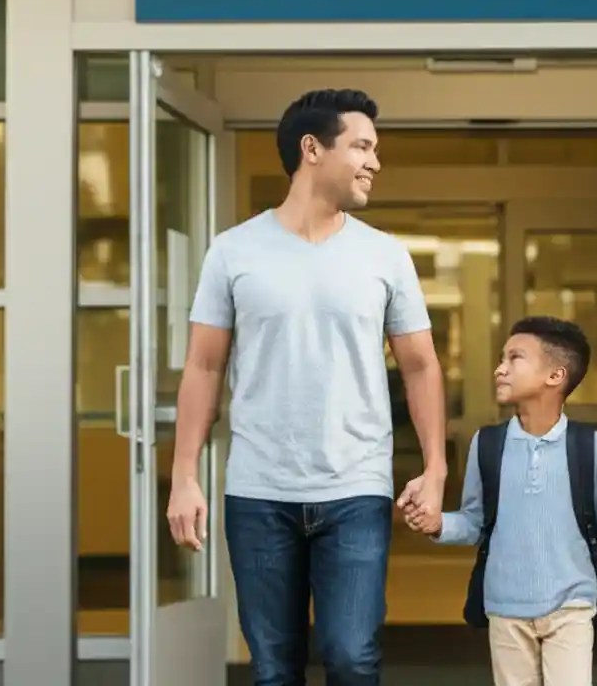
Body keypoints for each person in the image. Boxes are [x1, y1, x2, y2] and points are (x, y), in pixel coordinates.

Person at [166, 88, 448, 686]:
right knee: (273, 668)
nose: (375, 161)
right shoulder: (233, 250)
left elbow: (420, 365)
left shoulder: (385, 255)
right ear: (312, 148)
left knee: (351, 655)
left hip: (355, 488)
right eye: (363, 146)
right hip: (258, 491)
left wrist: (435, 465)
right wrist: (184, 474)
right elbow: (204, 366)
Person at [403, 316, 597, 686]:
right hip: (505, 608)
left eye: (514, 358)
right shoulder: (487, 445)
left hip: (572, 606)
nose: (499, 369)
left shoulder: (590, 447)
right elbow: (475, 523)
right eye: (502, 358)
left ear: (554, 376)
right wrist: (439, 524)